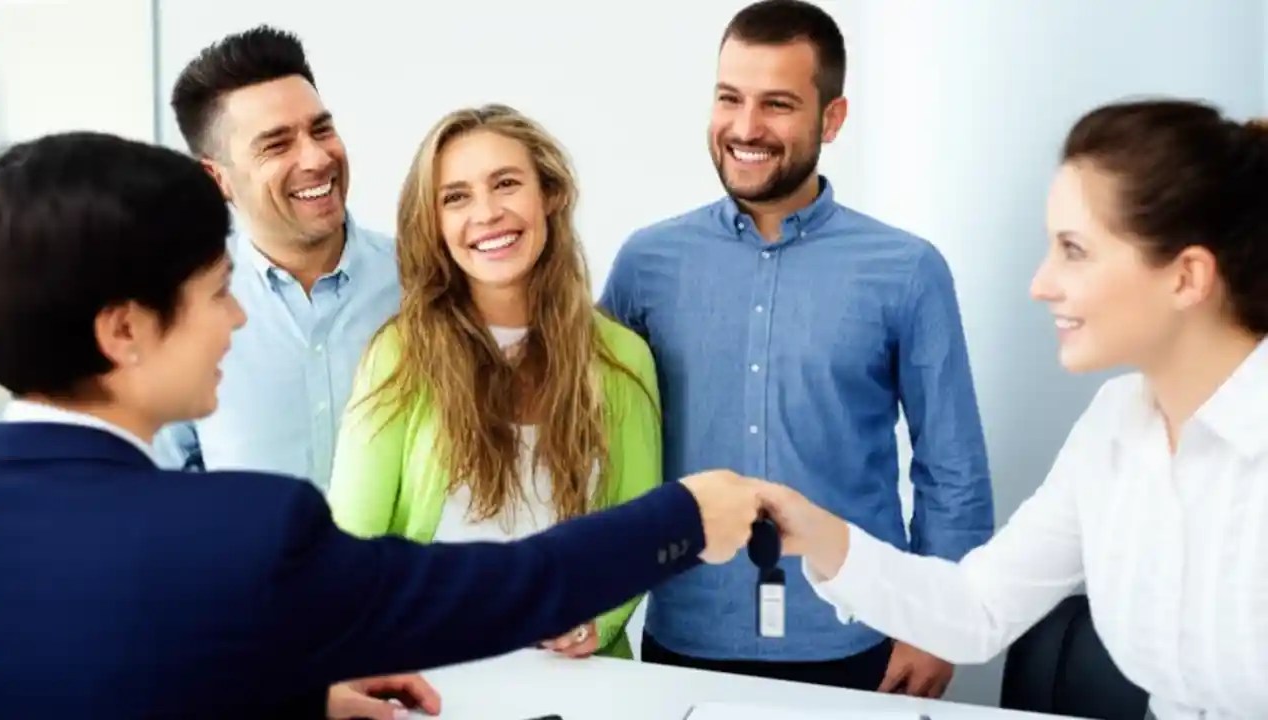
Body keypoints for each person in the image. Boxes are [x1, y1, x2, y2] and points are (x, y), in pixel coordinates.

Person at [0, 130, 770, 719]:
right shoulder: (237, 532)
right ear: (123, 330)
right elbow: (499, 588)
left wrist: (306, 700)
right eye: (218, 290)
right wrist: (687, 516)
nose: (233, 318)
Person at [759, 99, 1268, 720]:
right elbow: (980, 609)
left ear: (1186, 277)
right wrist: (817, 533)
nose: (1041, 283)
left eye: (1074, 250)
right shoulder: (1115, 426)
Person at [599, 0, 991, 696]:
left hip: (855, 641)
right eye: (729, 98)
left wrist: (938, 622)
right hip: (683, 639)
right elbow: (591, 440)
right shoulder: (646, 263)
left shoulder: (907, 270)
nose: (745, 128)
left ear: (831, 119)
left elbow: (951, 468)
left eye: (777, 104)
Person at [327, 104, 662, 661]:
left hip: (582, 685)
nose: (486, 213)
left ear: (549, 194)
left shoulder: (622, 358)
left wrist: (594, 624)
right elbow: (349, 545)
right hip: (433, 677)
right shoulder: (399, 355)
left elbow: (642, 533)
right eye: (455, 196)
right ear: (433, 224)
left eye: (505, 184)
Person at [154, 25, 398, 492]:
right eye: (277, 144)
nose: (316, 158)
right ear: (217, 179)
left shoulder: (424, 283)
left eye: (321, 129)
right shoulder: (177, 316)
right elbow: (159, 491)